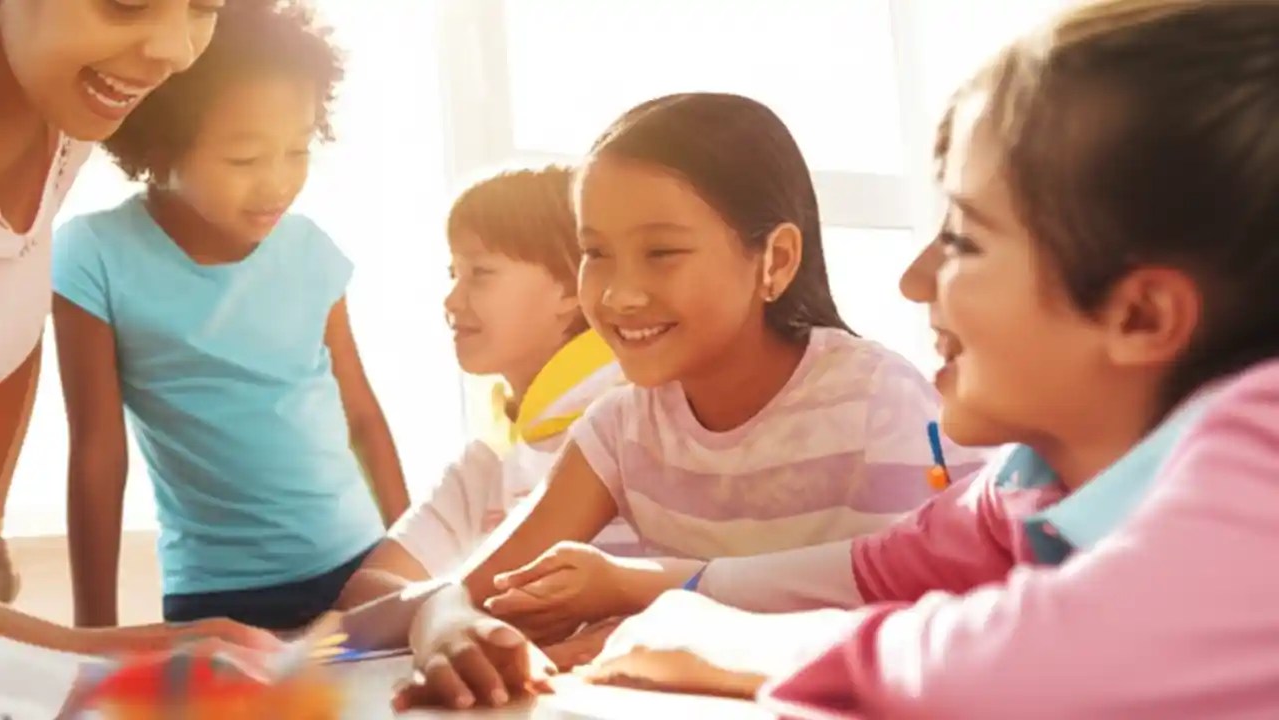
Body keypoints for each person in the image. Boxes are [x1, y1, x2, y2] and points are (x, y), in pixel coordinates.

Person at [560, 2, 1279, 717]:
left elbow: (1040, 661)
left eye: (964, 239)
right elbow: (876, 571)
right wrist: (665, 599)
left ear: (1140, 316)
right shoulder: (1030, 482)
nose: (913, 279)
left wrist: (746, 647)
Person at [378, 91, 984, 710]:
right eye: (595, 254)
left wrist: (647, 623)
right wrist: (454, 629)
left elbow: (900, 620)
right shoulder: (622, 426)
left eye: (661, 252)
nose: (618, 294)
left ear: (774, 261)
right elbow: (462, 593)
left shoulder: (874, 401)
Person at [52, 0, 405, 632]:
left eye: (296, 151)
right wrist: (93, 633)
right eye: (244, 160)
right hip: (216, 595)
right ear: (160, 145)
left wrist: (416, 558)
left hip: (361, 563)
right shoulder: (94, 255)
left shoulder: (310, 251)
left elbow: (362, 418)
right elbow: (97, 452)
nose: (277, 184)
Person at [336, 165, 638, 610]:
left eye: (480, 273)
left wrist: (446, 605)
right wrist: (456, 610)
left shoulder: (639, 420)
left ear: (574, 286)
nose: (451, 301)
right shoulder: (488, 456)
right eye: (453, 273)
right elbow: (365, 594)